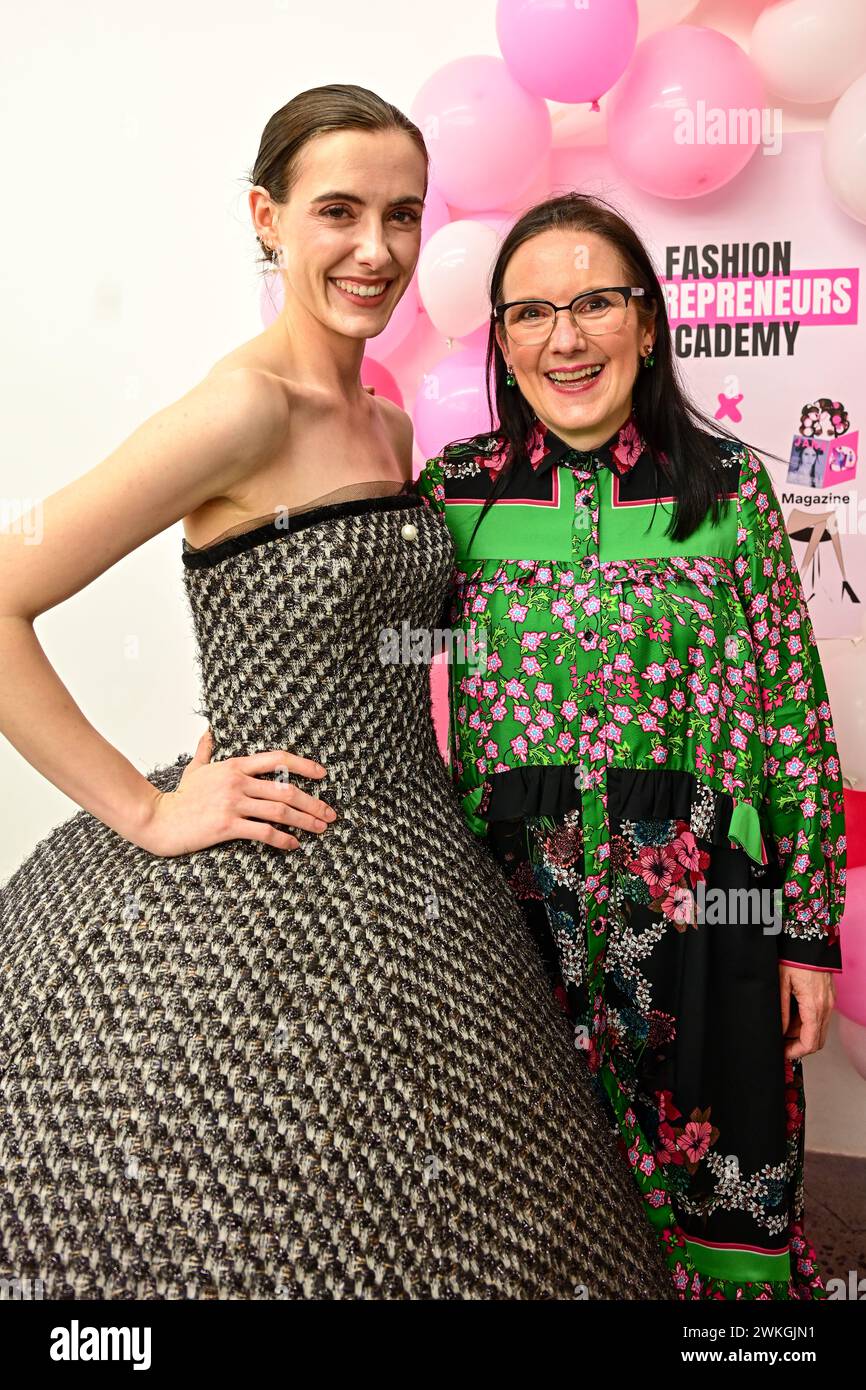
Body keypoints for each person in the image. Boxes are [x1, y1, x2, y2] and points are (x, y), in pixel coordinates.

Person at [0, 90, 671, 1300]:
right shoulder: (241, 407)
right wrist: (150, 814)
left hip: (417, 849)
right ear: (266, 219)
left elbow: (375, 629)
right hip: (274, 853)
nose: (375, 250)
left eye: (401, 215)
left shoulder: (387, 414)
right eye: (338, 212)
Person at [417, 192, 847, 1301]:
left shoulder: (730, 492)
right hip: (515, 918)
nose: (565, 337)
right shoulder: (455, 495)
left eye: (595, 302)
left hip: (710, 912)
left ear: (646, 323)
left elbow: (794, 714)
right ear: (502, 341)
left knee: (724, 1201)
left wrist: (805, 935)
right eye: (531, 312)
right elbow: (363, 647)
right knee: (531, 1207)